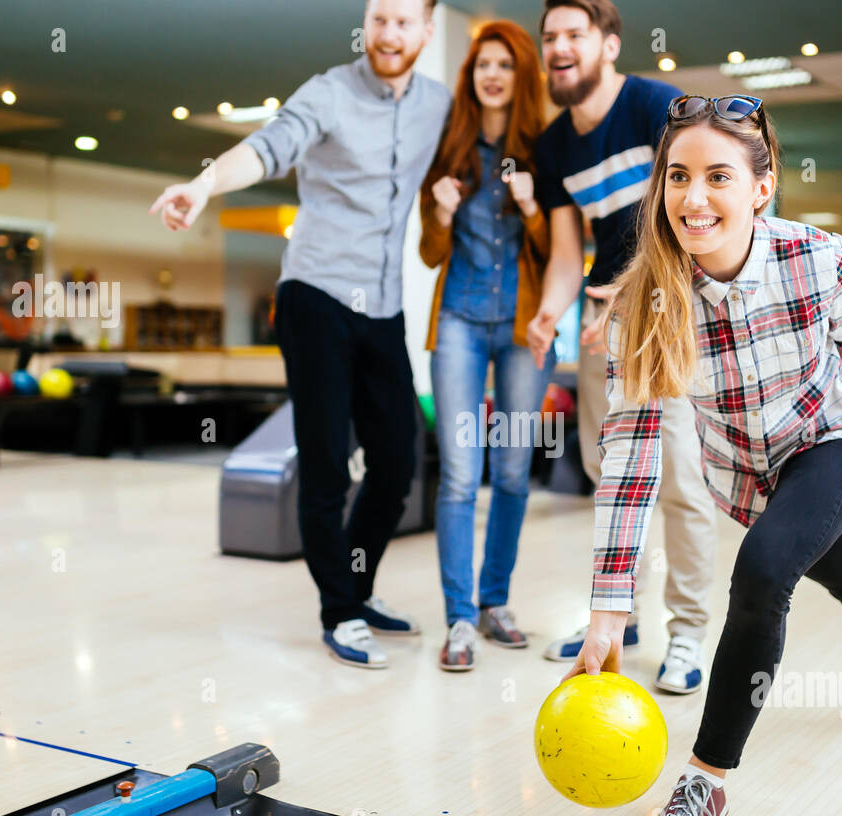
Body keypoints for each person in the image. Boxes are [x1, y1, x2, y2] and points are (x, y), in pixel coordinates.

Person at [568, 94, 842, 816]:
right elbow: (628, 459)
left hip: (839, 437)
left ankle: (706, 777)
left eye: (718, 176)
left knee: (762, 571)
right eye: (679, 176)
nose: (694, 198)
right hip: (754, 480)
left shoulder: (817, 257)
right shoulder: (646, 303)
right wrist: (606, 610)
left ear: (762, 187)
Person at [148, 0, 451, 668]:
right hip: (315, 293)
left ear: (427, 31)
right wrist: (204, 186)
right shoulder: (329, 92)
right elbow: (268, 146)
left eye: (403, 22)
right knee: (322, 460)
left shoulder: (438, 104)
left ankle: (358, 589)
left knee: (398, 460)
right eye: (378, 19)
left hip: (382, 304)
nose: (388, 34)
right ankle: (338, 610)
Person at [526, 0, 718, 695]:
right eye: (550, 37)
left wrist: (631, 294)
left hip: (671, 313)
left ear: (608, 44)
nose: (559, 47)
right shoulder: (553, 147)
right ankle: (619, 616)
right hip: (604, 321)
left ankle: (690, 633)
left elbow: (696, 218)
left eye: (575, 34)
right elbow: (565, 251)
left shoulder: (658, 110)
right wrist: (552, 311)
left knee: (678, 479)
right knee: (611, 477)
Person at [417, 21, 552, 671]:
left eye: (504, 64)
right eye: (482, 65)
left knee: (514, 471)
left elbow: (561, 252)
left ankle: (495, 600)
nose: (492, 74)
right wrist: (440, 214)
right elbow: (428, 252)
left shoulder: (545, 148)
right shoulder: (451, 146)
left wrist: (531, 206)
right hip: (460, 326)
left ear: (522, 74)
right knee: (462, 476)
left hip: (524, 329)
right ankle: (460, 618)